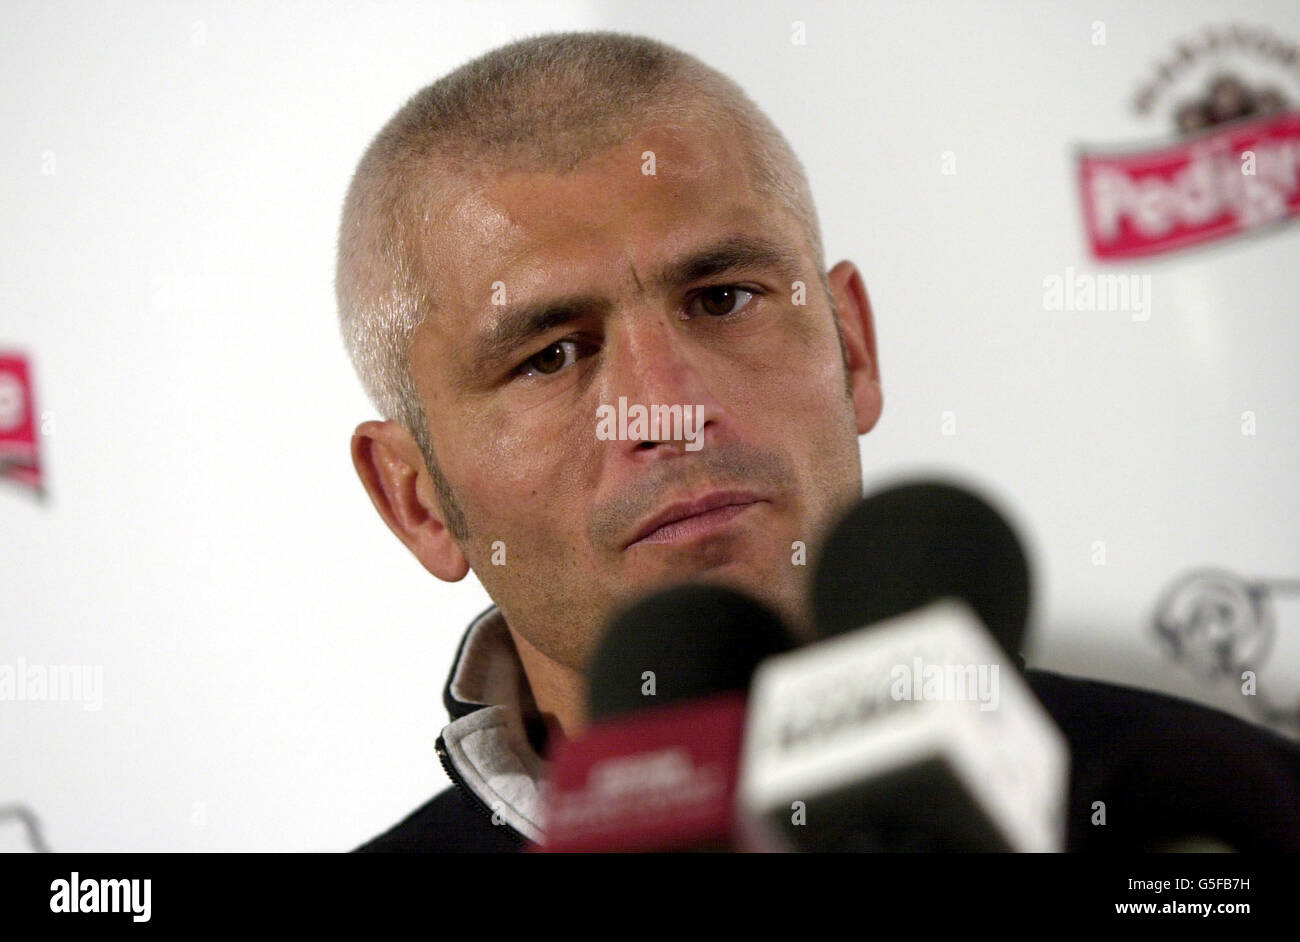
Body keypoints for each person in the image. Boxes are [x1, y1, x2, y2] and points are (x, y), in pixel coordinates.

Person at [336, 31, 1300, 852]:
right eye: (549, 357)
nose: (667, 408)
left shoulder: (1216, 812)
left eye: (724, 300)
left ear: (851, 347)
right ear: (414, 498)